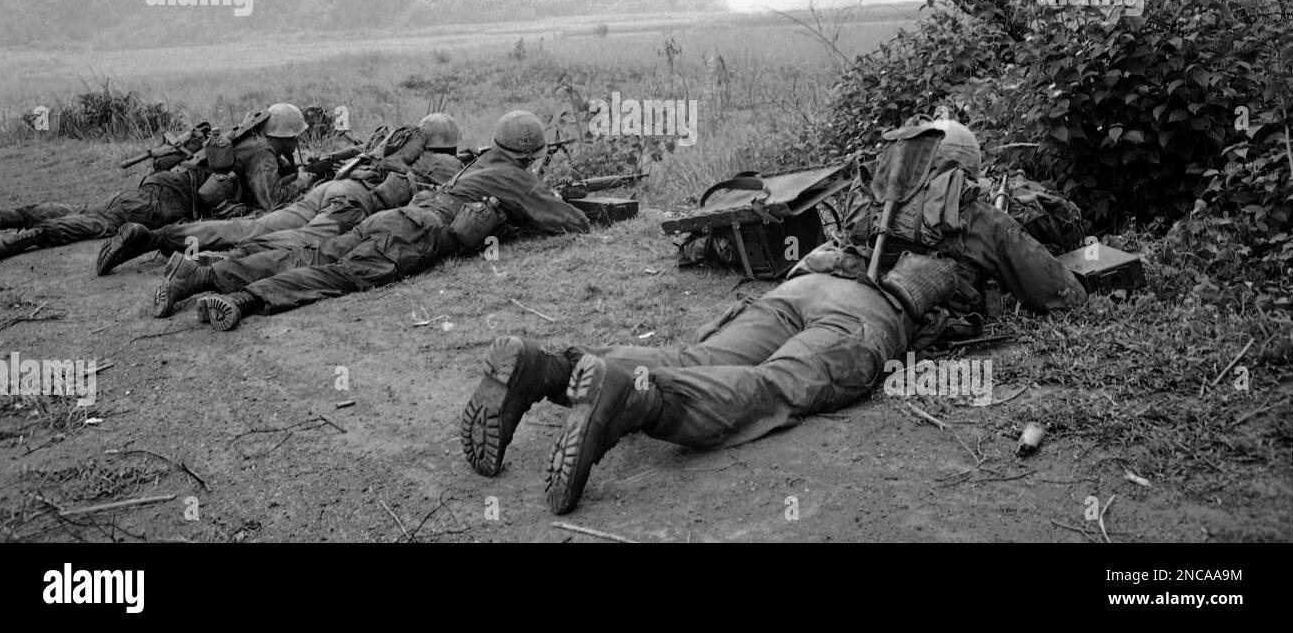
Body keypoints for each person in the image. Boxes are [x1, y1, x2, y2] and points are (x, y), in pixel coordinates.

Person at [459, 119, 1089, 514]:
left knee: (695, 358)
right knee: (773, 389)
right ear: (968, 169)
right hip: (866, 314)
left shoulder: (876, 198)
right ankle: (636, 399)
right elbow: (1060, 294)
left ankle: (547, 367)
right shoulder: (975, 211)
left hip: (800, 288)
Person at [169, 111, 589, 329]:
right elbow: (572, 222)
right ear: (531, 153)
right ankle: (246, 298)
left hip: (391, 217)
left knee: (315, 252)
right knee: (337, 276)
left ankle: (205, 275)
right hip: (413, 234)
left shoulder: (481, 163)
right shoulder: (515, 178)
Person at [95, 112, 465, 275]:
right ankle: (208, 264)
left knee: (251, 227)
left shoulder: (392, 145)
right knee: (298, 243)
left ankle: (154, 236)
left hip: (333, 188)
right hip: (353, 203)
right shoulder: (444, 164)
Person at [0, 103, 310, 263]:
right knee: (96, 223)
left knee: (88, 212)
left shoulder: (250, 141)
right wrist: (304, 181)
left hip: (165, 187)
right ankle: (24, 238)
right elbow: (273, 201)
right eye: (297, 135)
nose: (298, 140)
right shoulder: (263, 153)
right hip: (167, 199)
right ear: (288, 135)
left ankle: (7, 219)